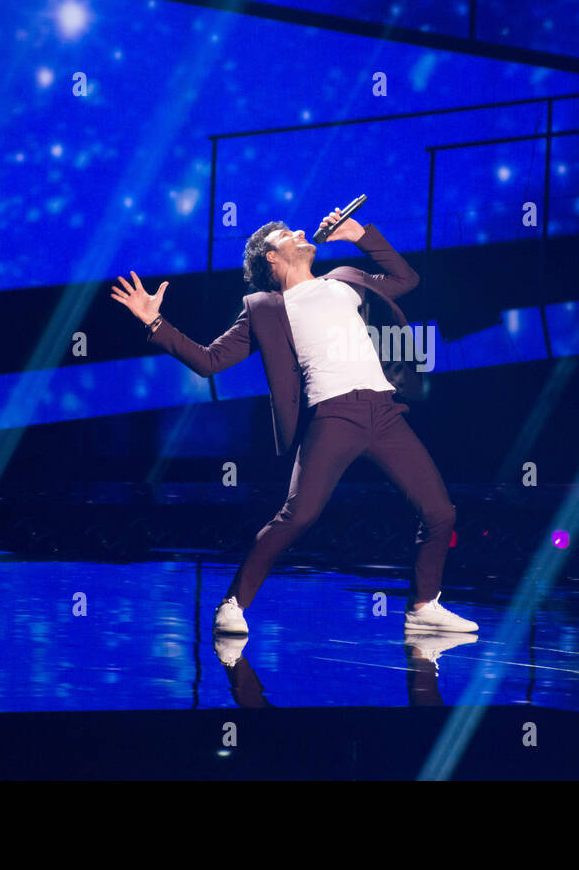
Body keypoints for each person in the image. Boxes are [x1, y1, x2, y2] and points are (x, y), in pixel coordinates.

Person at [111, 208, 477, 636]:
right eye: (287, 233)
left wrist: (360, 235)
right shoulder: (265, 308)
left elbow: (406, 280)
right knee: (298, 515)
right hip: (333, 414)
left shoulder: (344, 279)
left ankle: (423, 606)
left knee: (440, 512)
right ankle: (233, 604)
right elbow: (209, 361)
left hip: (385, 411)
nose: (302, 231)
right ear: (270, 256)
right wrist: (154, 321)